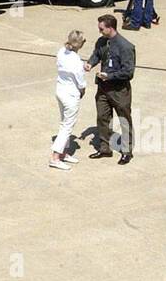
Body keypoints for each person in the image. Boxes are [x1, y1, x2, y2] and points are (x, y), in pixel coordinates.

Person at [84, 14, 136, 164]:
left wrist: (110, 76)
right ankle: (104, 148)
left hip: (119, 91)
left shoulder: (126, 47)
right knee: (102, 118)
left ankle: (127, 151)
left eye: (101, 28)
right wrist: (90, 63)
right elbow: (97, 54)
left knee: (124, 120)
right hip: (103, 88)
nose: (99, 30)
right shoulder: (102, 41)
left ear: (110, 28)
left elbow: (128, 72)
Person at [50, 30, 88, 171]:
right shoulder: (76, 61)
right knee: (67, 126)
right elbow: (81, 82)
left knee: (64, 122)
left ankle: (64, 153)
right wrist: (82, 91)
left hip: (60, 90)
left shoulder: (61, 52)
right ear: (79, 44)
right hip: (70, 95)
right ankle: (55, 157)